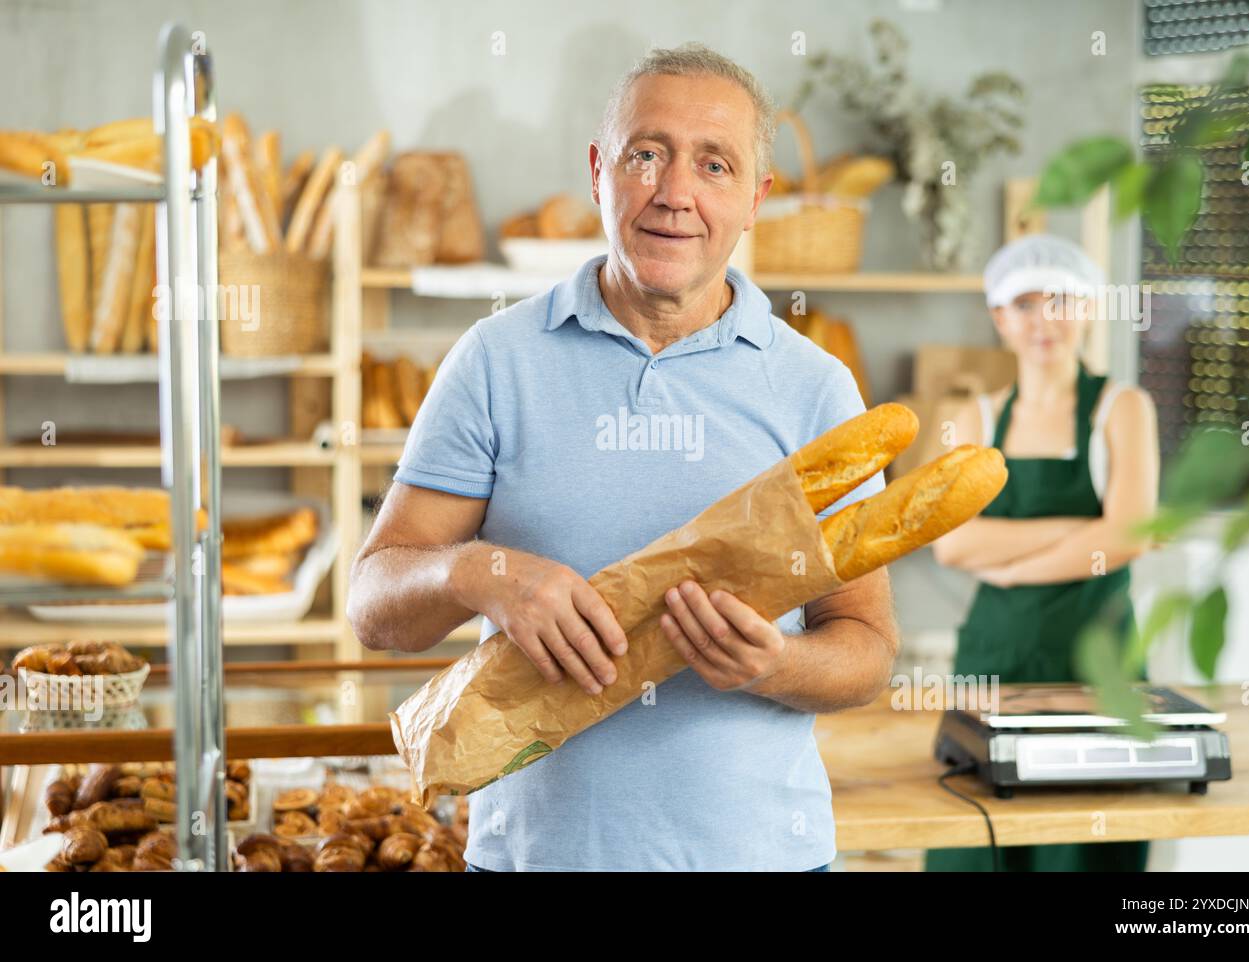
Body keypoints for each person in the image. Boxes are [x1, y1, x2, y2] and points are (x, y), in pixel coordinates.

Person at [347, 43, 900, 872]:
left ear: (757, 199)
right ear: (600, 169)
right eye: (648, 154)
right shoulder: (496, 360)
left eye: (715, 165)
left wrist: (774, 664)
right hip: (533, 860)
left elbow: (866, 650)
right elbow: (374, 604)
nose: (675, 194)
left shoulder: (814, 388)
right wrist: (483, 575)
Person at [924, 234, 1161, 872]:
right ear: (1000, 319)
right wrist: (1088, 530)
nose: (1044, 321)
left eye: (1061, 301)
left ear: (1087, 309)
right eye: (1024, 305)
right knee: (981, 833)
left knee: (1082, 841)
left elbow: (1129, 536)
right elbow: (952, 544)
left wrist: (1011, 567)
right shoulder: (973, 417)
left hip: (1098, 663)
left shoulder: (1123, 408)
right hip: (994, 657)